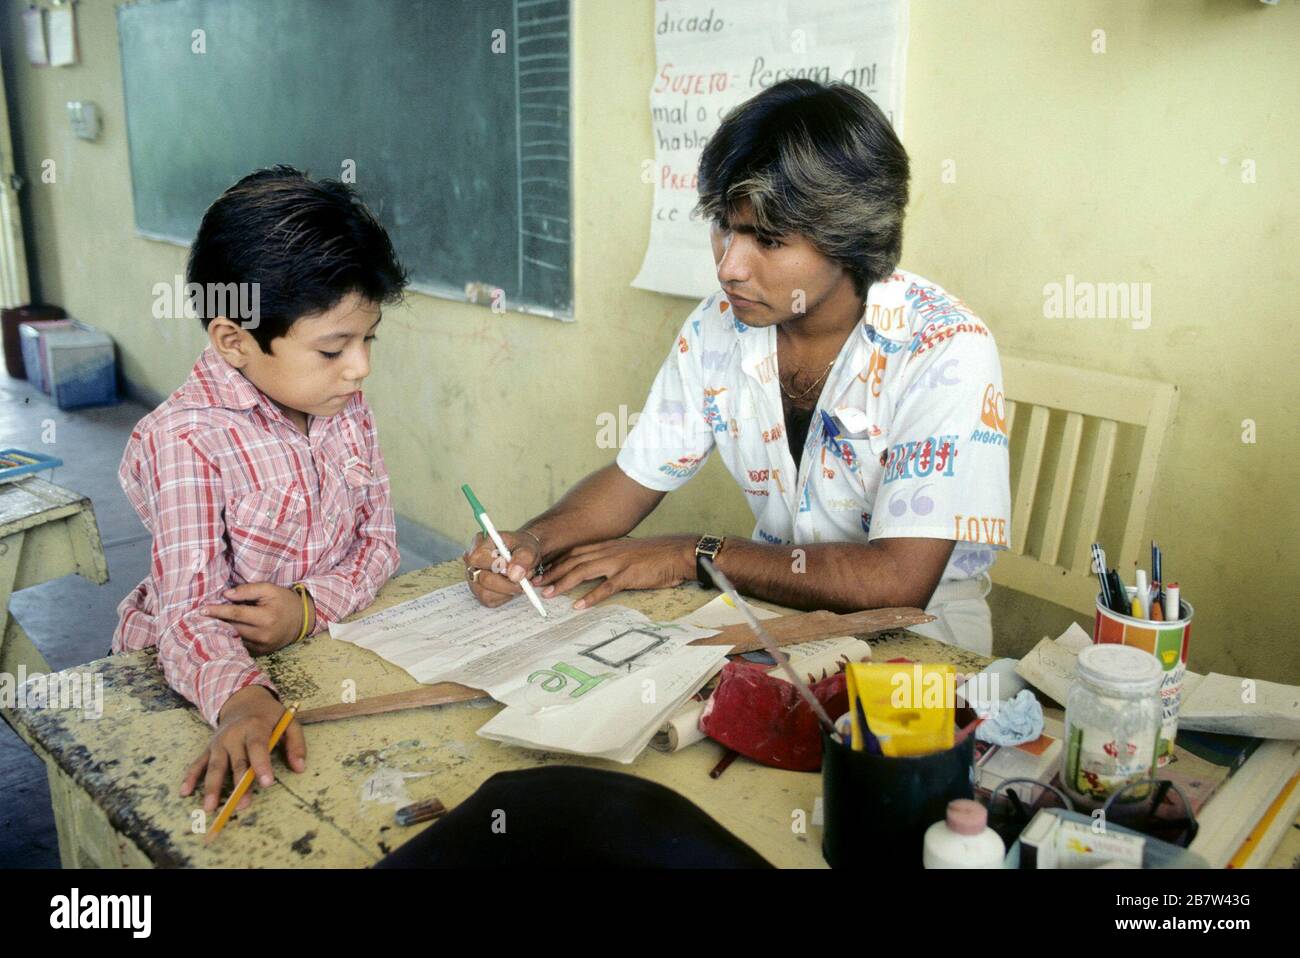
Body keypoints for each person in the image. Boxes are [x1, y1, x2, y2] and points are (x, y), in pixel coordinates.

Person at [464, 80, 1010, 655]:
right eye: (724, 225)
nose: (729, 267)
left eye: (768, 240)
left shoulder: (945, 348)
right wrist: (530, 539)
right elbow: (634, 478)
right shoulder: (717, 327)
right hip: (770, 611)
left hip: (923, 642)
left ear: (849, 238)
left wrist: (692, 554)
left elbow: (898, 583)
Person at [114, 166, 407, 813]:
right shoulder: (187, 439)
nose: (361, 368)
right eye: (334, 349)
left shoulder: (344, 407)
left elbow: (379, 542)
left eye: (368, 340)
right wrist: (242, 697)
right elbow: (188, 612)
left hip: (321, 653)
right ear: (234, 340)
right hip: (193, 676)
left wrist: (308, 607)